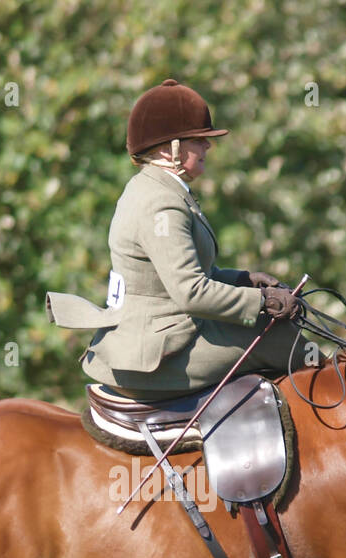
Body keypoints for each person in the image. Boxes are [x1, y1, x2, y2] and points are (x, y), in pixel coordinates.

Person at [46, 79, 304, 398]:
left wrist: (244, 279)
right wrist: (262, 302)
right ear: (171, 148)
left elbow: (177, 276)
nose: (208, 146)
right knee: (284, 341)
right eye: (199, 140)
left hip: (164, 332)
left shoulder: (154, 188)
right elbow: (190, 292)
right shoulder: (161, 204)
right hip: (157, 353)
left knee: (273, 332)